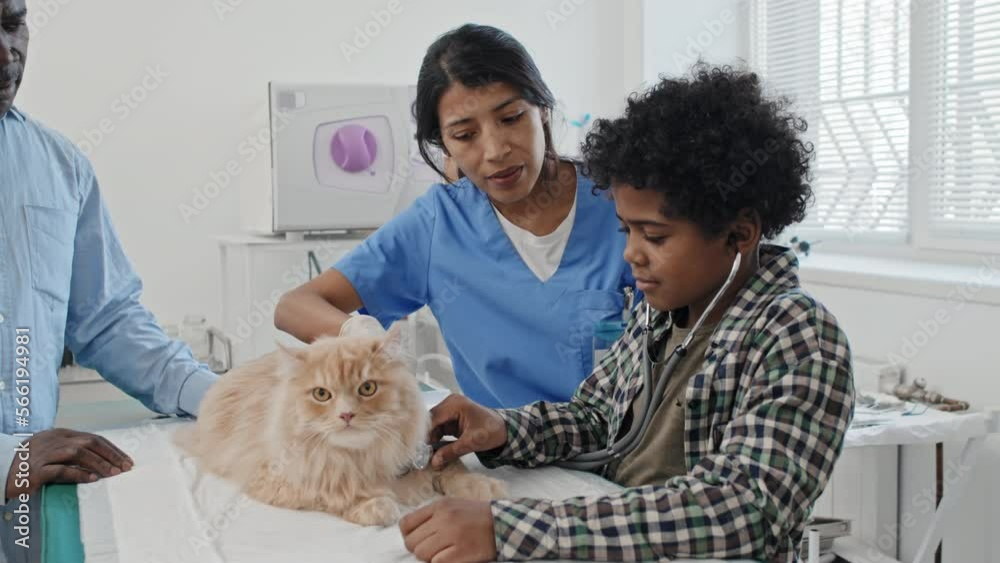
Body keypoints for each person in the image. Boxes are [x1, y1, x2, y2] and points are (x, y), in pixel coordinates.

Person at [399, 65, 856, 563]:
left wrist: (509, 531)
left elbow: (740, 510)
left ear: (739, 234)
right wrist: (503, 428)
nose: (631, 255)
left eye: (655, 237)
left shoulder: (796, 337)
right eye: (627, 231)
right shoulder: (659, 315)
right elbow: (598, 419)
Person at [275, 24, 635, 409]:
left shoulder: (622, 202)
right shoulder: (438, 225)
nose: (495, 150)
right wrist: (357, 330)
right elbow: (293, 307)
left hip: (629, 453)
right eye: (465, 135)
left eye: (511, 118)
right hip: (513, 458)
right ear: (444, 145)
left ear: (542, 110)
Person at [0, 1, 217, 559]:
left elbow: (107, 320)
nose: (7, 52)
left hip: (25, 506)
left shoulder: (58, 165)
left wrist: (223, 400)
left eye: (11, 22)